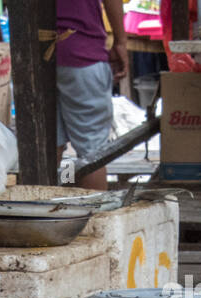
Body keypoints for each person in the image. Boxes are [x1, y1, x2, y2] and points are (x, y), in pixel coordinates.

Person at [55, 0, 128, 189]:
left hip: (39, 55)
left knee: (49, 142)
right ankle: (93, 216)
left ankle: (45, 212)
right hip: (81, 53)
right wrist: (120, 41)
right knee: (91, 152)